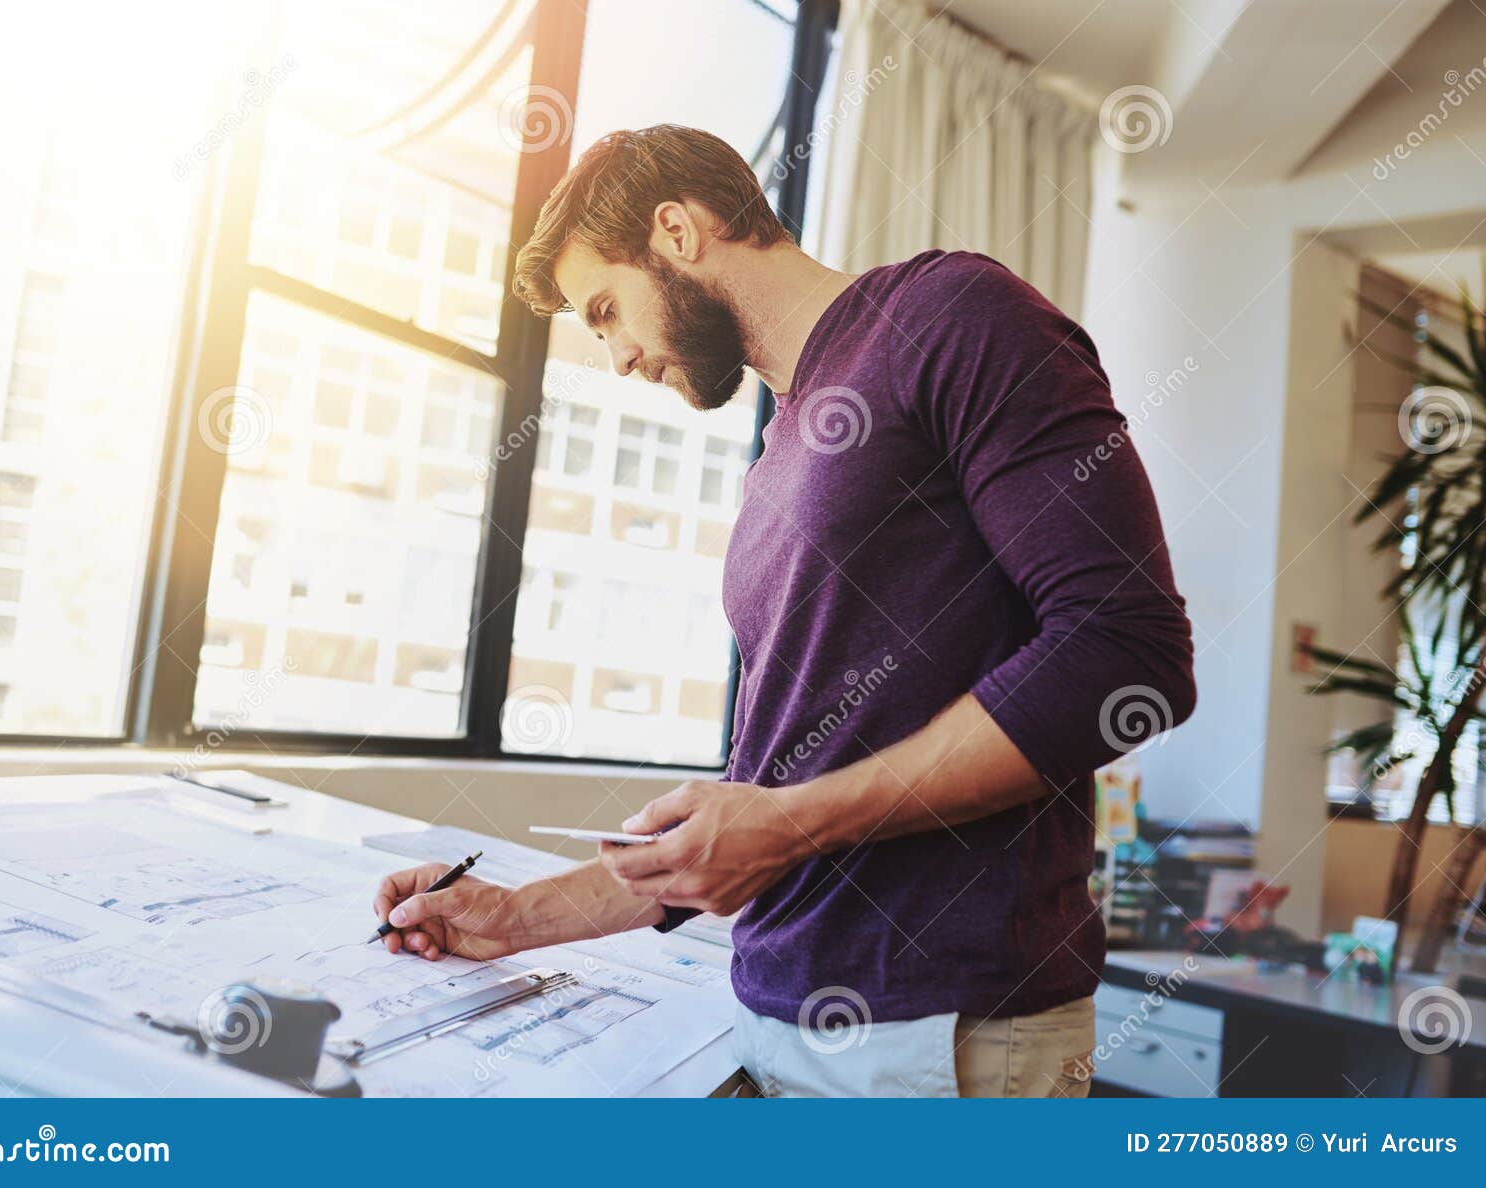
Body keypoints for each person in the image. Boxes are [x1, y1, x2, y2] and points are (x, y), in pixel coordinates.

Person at [373, 125, 1196, 1097]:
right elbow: (758, 808)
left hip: (939, 1027)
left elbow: (1124, 652)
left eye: (605, 312)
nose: (619, 358)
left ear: (676, 232)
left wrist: (792, 822)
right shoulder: (780, 454)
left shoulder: (954, 315)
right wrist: (515, 917)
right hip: (773, 1011)